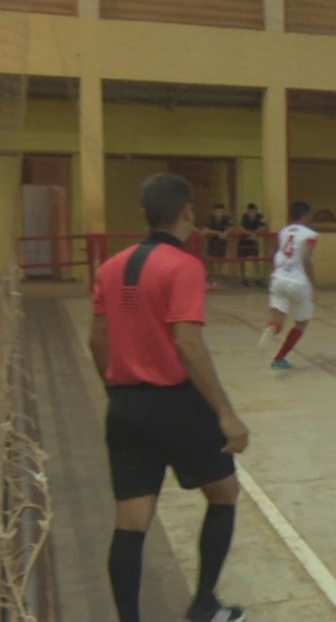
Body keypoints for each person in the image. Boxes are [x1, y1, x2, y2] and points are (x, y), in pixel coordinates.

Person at [88, 172, 248, 622]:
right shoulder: (184, 267)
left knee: (131, 522)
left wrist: (117, 392)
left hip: (125, 406)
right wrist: (226, 413)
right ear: (187, 214)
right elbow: (188, 344)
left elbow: (96, 340)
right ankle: (203, 605)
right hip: (178, 404)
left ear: (144, 214)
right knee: (223, 494)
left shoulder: (110, 266)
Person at [258, 201, 318, 369]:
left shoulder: (283, 232)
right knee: (301, 322)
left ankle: (272, 327)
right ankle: (279, 358)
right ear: (306, 215)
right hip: (299, 282)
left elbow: (275, 252)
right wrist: (313, 284)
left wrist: (272, 272)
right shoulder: (310, 234)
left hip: (279, 278)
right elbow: (306, 259)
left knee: (277, 319)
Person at [201, 204, 233, 289]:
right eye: (218, 211)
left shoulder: (226, 219)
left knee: (221, 262)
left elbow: (230, 227)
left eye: (222, 211)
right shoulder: (210, 219)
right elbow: (205, 229)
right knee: (211, 262)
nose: (220, 213)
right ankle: (211, 280)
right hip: (213, 243)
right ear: (214, 212)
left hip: (222, 243)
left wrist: (225, 232)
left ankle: (218, 281)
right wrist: (217, 233)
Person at [237, 203, 268, 287]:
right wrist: (251, 233)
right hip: (243, 240)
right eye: (250, 211)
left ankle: (257, 277)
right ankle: (243, 277)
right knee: (242, 259)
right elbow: (241, 228)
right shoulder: (244, 217)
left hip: (253, 241)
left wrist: (254, 233)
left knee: (255, 259)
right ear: (248, 211)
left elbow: (264, 227)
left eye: (254, 211)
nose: (252, 213)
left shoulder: (260, 217)